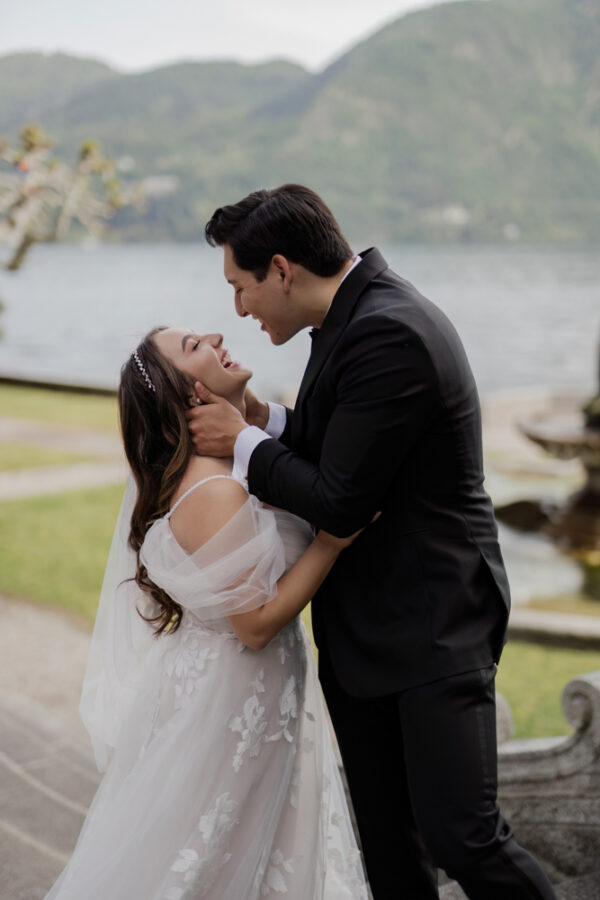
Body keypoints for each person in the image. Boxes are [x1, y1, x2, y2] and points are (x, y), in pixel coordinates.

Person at [185, 184, 558, 899]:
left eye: (241, 286)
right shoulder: (352, 317)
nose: (239, 309)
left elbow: (340, 500)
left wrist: (245, 443)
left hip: (434, 624)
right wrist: (265, 418)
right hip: (369, 634)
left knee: (465, 837)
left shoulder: (392, 330)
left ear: (283, 269)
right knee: (387, 846)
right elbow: (345, 448)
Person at [44, 326, 369, 900]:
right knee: (202, 862)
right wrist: (333, 542)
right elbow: (255, 623)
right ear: (186, 392)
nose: (218, 334)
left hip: (257, 700)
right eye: (195, 345)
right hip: (230, 703)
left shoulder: (233, 465)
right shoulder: (212, 490)